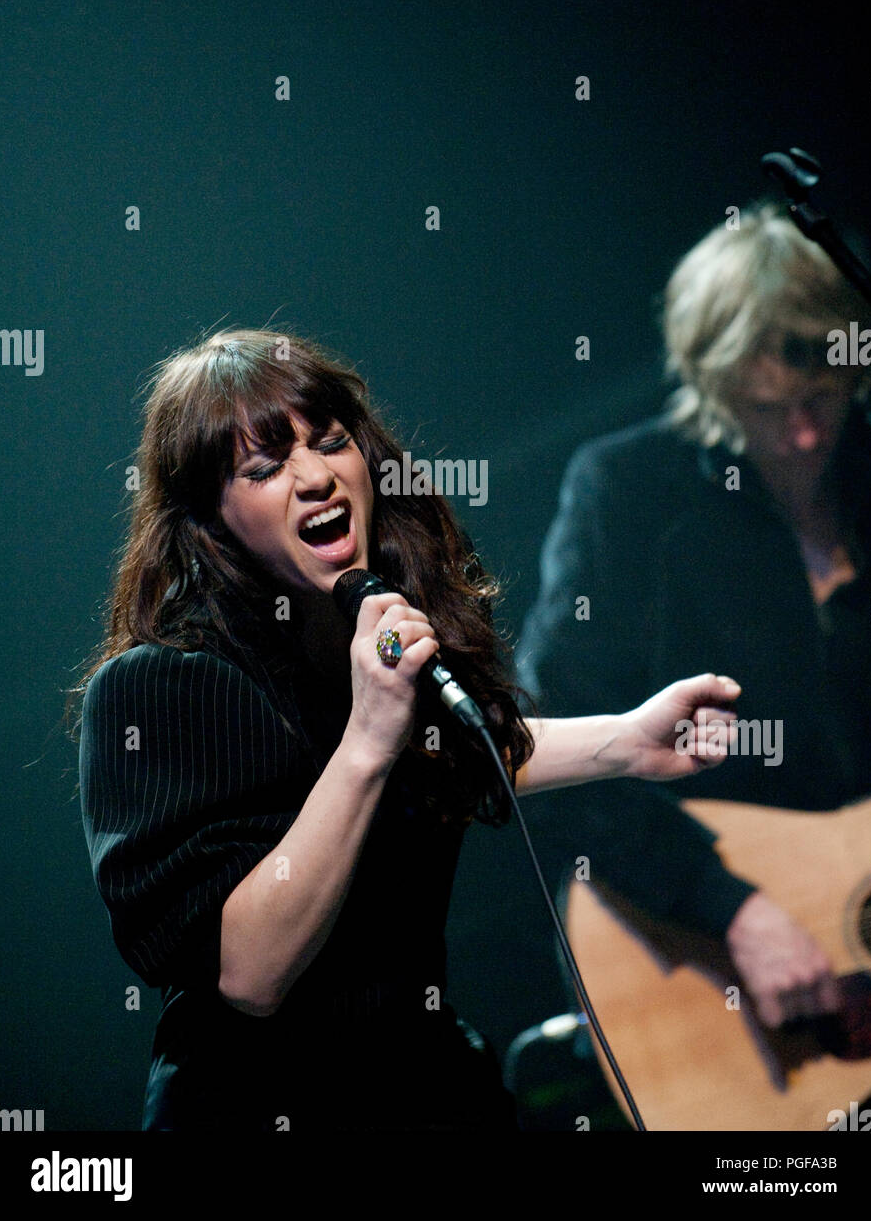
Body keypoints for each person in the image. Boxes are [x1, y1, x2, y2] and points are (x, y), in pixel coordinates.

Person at [72, 327, 740, 1132]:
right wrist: (368, 738)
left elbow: (457, 756)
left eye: (330, 443)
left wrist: (630, 740)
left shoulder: (365, 635)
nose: (316, 476)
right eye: (266, 466)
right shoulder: (159, 686)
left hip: (427, 1092)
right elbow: (250, 973)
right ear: (211, 516)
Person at [518, 203, 871, 1037]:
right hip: (717, 982)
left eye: (823, 398)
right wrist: (732, 910)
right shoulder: (627, 491)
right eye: (767, 405)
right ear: (713, 384)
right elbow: (555, 752)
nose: (799, 433)